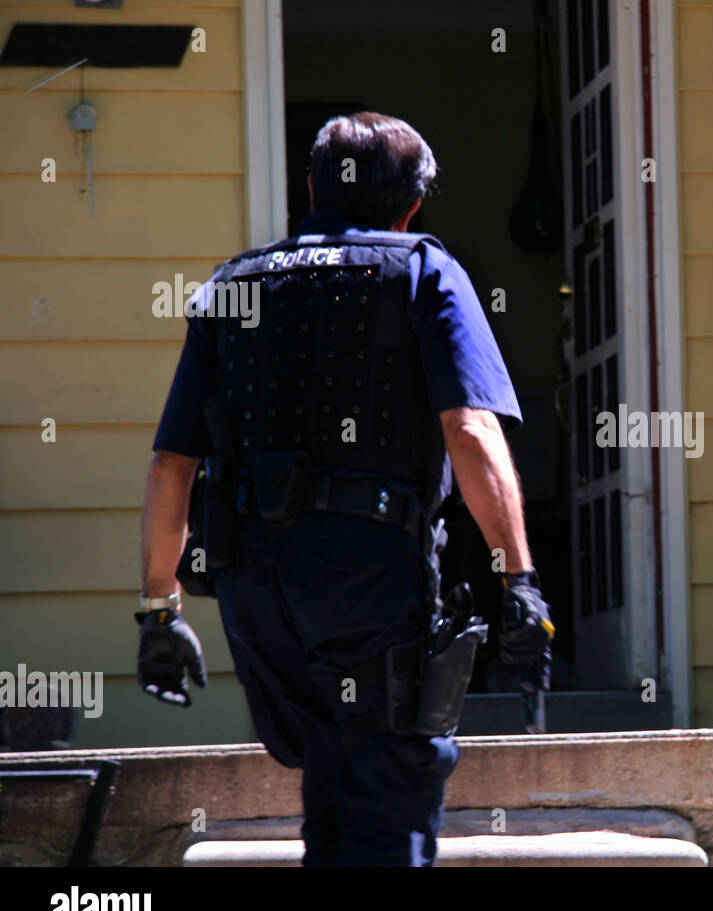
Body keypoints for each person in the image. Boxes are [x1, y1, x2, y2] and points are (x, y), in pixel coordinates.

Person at [136, 112, 554, 866]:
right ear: (413, 204)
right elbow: (470, 431)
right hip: (366, 577)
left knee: (332, 792)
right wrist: (518, 579)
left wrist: (158, 611)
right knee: (388, 804)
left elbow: (172, 464)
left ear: (310, 188)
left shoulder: (232, 286)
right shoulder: (424, 270)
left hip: (254, 588)